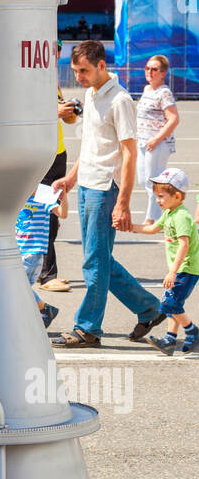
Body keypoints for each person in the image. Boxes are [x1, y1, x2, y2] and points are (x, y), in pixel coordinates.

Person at [52, 39, 164, 348]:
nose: (79, 77)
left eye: (84, 70)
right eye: (75, 71)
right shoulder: (90, 94)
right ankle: (149, 308)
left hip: (106, 189)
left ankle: (88, 328)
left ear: (102, 65)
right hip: (88, 184)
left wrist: (124, 203)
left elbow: (129, 154)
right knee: (99, 259)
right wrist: (70, 178)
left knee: (94, 260)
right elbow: (90, 144)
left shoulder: (120, 100)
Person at [128, 168, 199, 354]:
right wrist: (130, 227)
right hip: (180, 267)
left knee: (170, 304)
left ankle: (193, 332)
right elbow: (152, 229)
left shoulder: (181, 216)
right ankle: (170, 340)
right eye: (156, 196)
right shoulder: (169, 213)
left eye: (161, 196)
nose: (157, 200)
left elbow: (184, 245)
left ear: (176, 196)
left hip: (187, 268)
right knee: (172, 304)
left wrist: (173, 271)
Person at [37, 84, 80, 293]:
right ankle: (46, 274)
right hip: (39, 153)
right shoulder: (28, 75)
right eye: (56, 48)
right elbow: (21, 113)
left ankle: (44, 272)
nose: (57, 51)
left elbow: (67, 120)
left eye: (59, 48)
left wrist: (69, 113)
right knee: (44, 215)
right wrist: (55, 112)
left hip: (57, 153)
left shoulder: (52, 80)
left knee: (52, 214)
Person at [16, 183, 68, 330]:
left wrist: (63, 197)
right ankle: (40, 311)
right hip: (16, 250)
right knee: (17, 286)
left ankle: (44, 309)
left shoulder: (43, 197)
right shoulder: (17, 197)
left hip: (33, 251)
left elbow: (62, 214)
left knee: (18, 286)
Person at [136, 54, 179, 222]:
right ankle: (168, 208)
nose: (149, 72)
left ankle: (152, 219)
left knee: (152, 181)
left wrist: (157, 139)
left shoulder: (164, 93)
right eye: (147, 68)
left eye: (154, 69)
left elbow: (174, 119)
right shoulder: (148, 90)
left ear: (163, 73)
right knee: (143, 180)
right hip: (143, 143)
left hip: (158, 144)